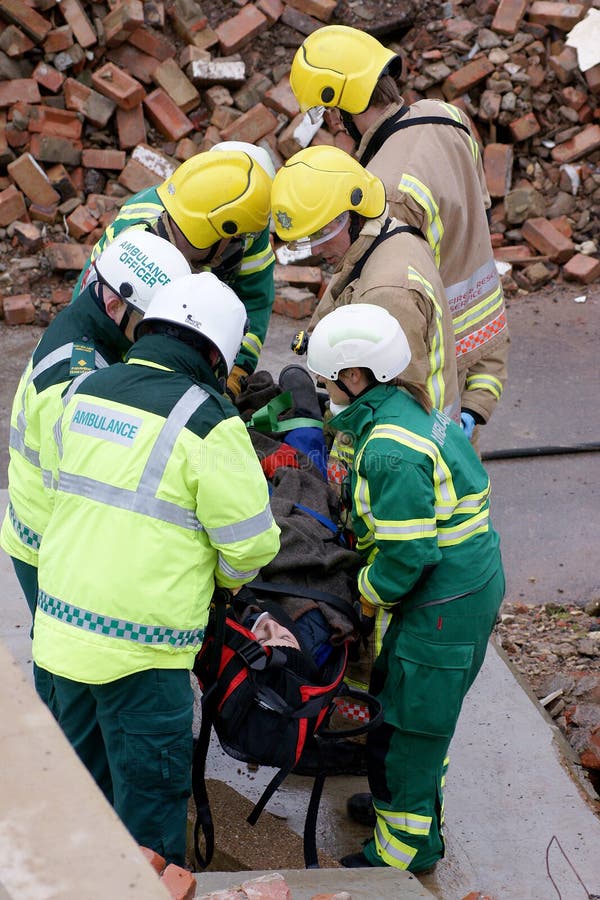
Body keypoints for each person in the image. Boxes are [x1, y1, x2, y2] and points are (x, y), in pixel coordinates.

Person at [31, 271, 281, 865]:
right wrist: (217, 580)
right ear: (217, 352)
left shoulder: (84, 390)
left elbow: (55, 487)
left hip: (61, 639)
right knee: (149, 816)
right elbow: (252, 546)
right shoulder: (209, 421)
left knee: (82, 801)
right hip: (141, 658)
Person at [306, 303, 505, 873]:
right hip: (460, 584)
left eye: (329, 381)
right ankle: (404, 808)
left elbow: (407, 555)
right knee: (416, 715)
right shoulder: (409, 407)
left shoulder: (390, 451)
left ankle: (403, 853)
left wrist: (362, 593)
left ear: (355, 376)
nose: (327, 392)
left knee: (411, 726)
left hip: (442, 600)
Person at [290, 25, 509, 446]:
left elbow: (380, 279)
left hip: (433, 354)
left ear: (338, 110)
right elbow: (480, 211)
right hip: (485, 337)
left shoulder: (384, 187)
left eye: (327, 114)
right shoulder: (449, 117)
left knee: (430, 477)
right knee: (463, 477)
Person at [0, 229, 191, 710]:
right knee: (68, 683)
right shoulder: (77, 376)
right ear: (115, 305)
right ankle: (64, 769)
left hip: (45, 530)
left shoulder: (94, 328)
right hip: (48, 544)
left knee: (69, 675)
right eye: (152, 323)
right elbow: (95, 474)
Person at [270, 144, 459, 484]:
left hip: (401, 466)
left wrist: (340, 474)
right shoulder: (383, 238)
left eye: (321, 234)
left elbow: (383, 404)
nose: (315, 248)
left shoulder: (385, 293)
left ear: (354, 214)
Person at [71, 145, 276, 398]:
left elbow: (254, 300)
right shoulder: (139, 243)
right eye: (239, 236)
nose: (243, 242)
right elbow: (94, 322)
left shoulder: (242, 220)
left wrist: (237, 370)